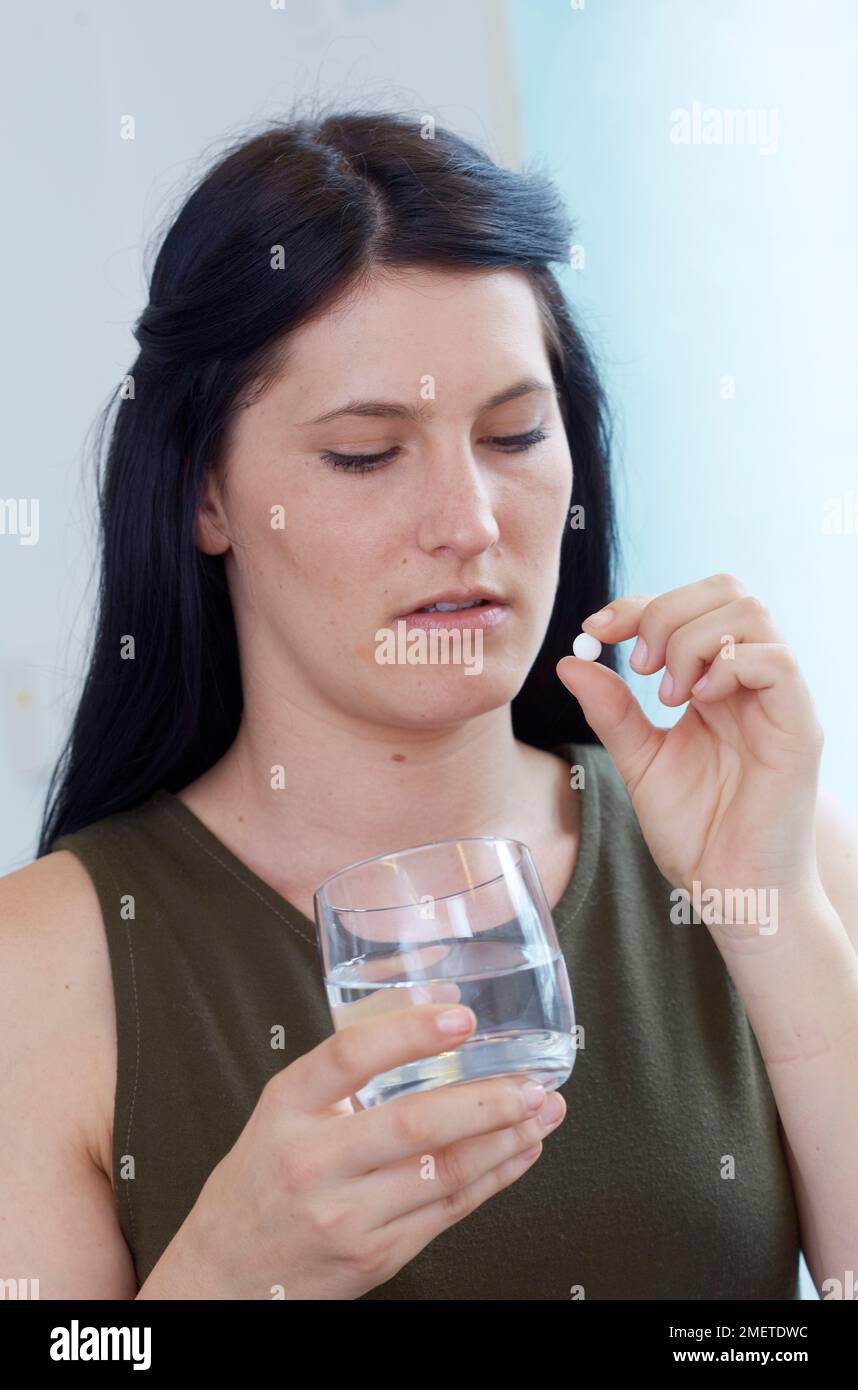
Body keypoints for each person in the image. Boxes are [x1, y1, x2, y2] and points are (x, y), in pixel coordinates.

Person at [2, 107, 856, 1301]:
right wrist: (229, 1278)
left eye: (514, 433)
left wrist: (770, 920)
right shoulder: (42, 970)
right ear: (206, 495)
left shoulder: (775, 854)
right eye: (366, 453)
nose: (470, 520)